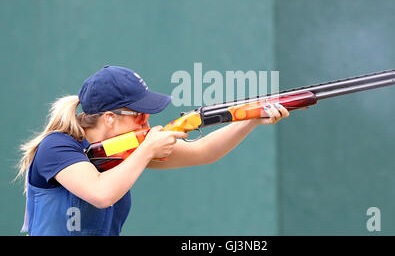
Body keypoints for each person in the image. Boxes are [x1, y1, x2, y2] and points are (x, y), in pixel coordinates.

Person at [16, 65, 289, 235]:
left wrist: (251, 119)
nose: (146, 121)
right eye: (139, 114)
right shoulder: (57, 146)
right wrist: (147, 150)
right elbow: (101, 194)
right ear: (110, 118)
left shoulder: (127, 150)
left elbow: (205, 151)